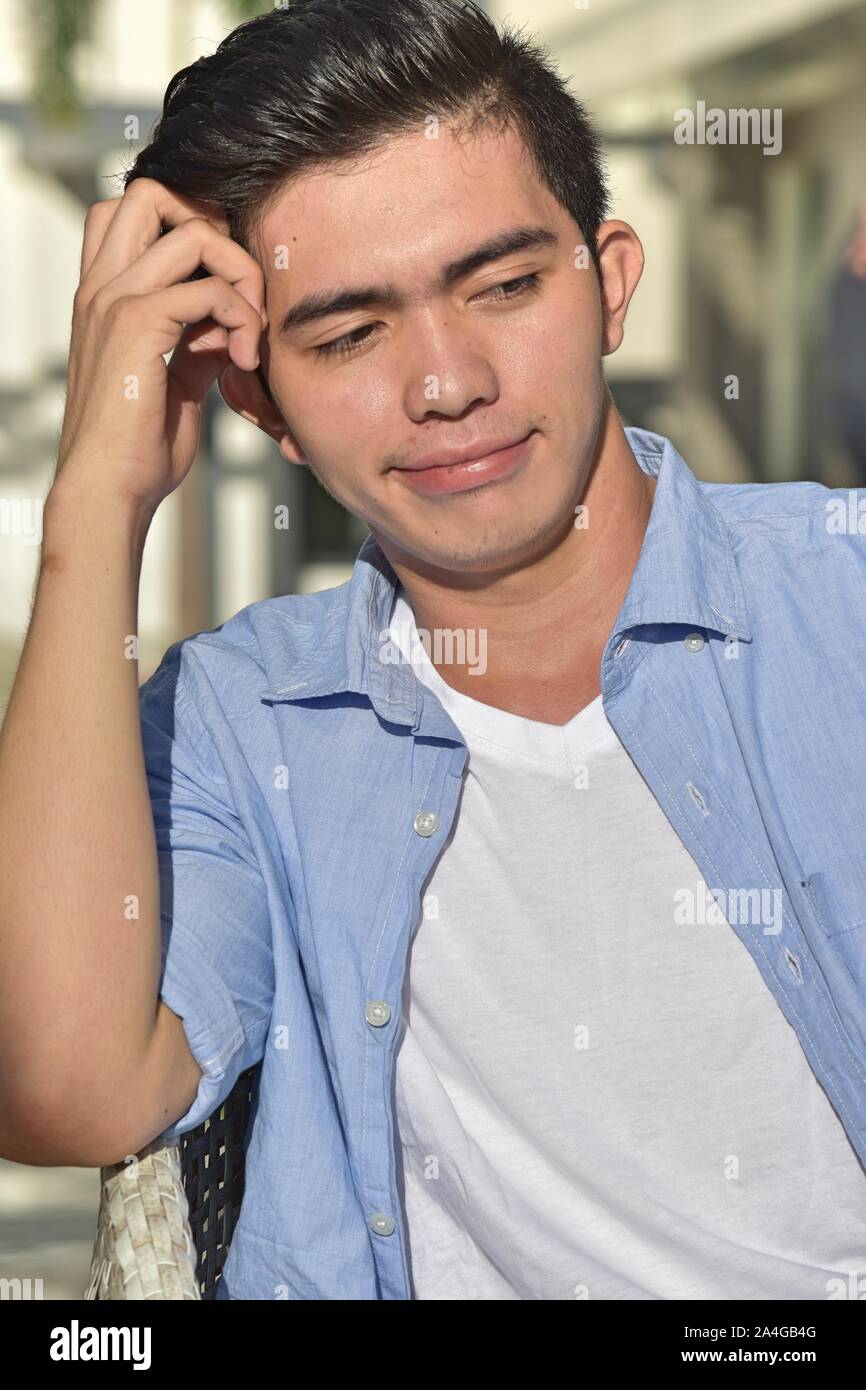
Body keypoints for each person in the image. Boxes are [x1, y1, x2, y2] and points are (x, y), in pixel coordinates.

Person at [1, 0, 865, 1302]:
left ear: (611, 281)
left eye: (504, 285)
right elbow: (64, 1092)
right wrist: (95, 503)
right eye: (350, 334)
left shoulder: (839, 596)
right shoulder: (243, 721)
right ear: (257, 399)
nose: (445, 381)